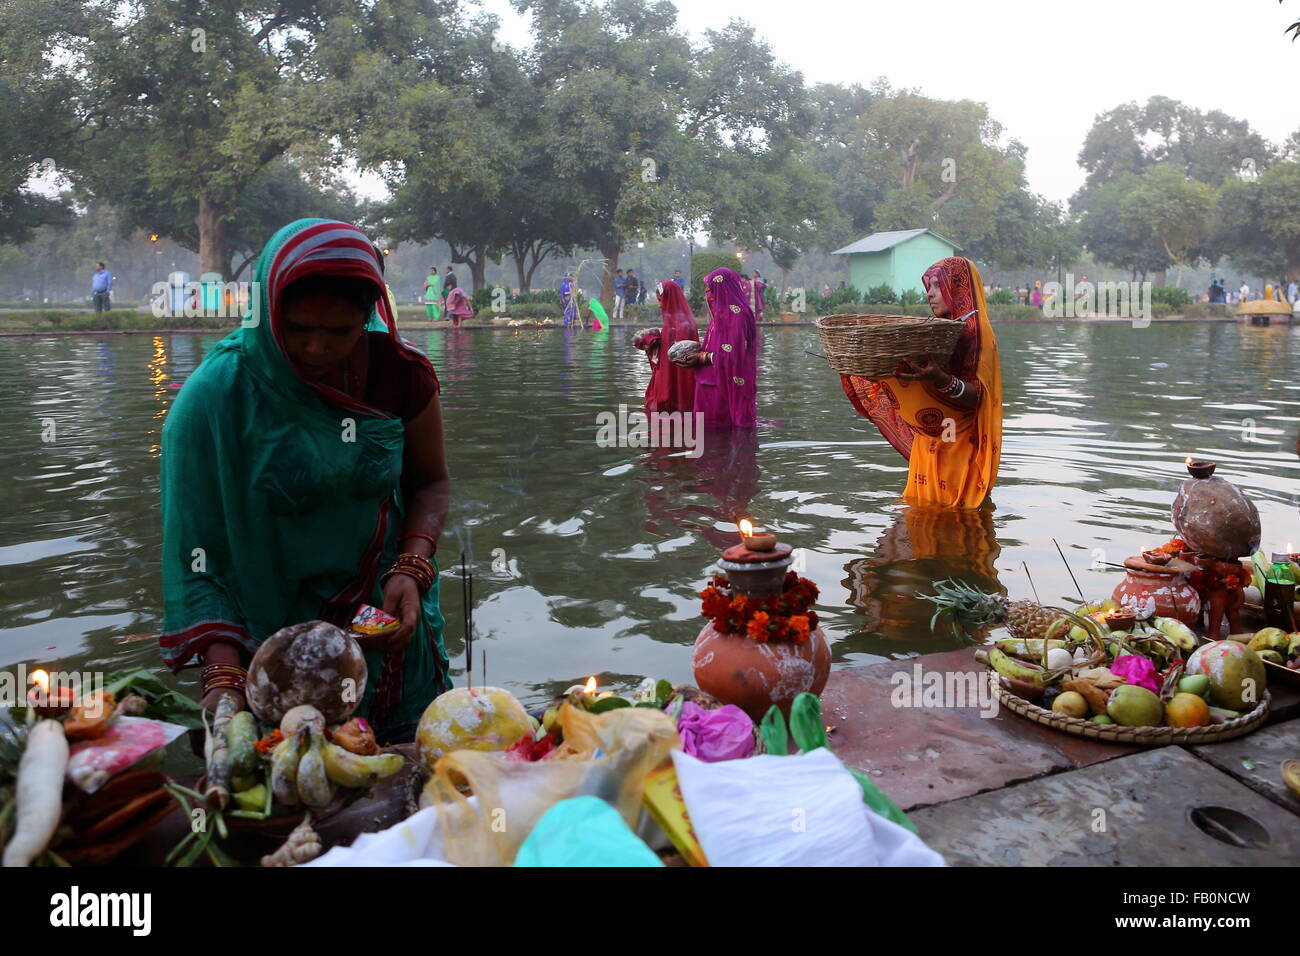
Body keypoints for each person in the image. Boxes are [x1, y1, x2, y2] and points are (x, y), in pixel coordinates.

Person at [159, 218, 452, 740]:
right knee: (286, 782)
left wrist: (411, 567)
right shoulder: (215, 398)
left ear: (369, 316)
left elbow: (430, 482)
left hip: (382, 615)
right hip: (270, 634)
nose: (316, 349)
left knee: (406, 768)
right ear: (270, 311)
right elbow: (197, 554)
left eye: (339, 332)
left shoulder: (399, 375)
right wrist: (223, 674)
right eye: (298, 329)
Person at [838, 255, 1003, 509]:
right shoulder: (937, 330)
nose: (930, 294)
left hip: (958, 443)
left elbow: (978, 397)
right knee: (922, 513)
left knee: (958, 515)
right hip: (930, 439)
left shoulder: (978, 333)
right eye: (929, 286)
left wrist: (942, 380)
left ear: (958, 287)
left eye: (938, 285)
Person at [677, 267, 758, 428]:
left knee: (720, 434)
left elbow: (735, 355)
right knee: (705, 436)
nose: (708, 295)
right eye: (707, 291)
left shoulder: (737, 316)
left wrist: (704, 357)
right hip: (707, 382)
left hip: (722, 387)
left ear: (724, 289)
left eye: (711, 290)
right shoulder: (719, 314)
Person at [643, 281, 698, 414]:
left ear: (669, 299)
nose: (659, 304)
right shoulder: (685, 321)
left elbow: (668, 360)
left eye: (661, 300)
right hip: (683, 386)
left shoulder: (677, 325)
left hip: (673, 385)